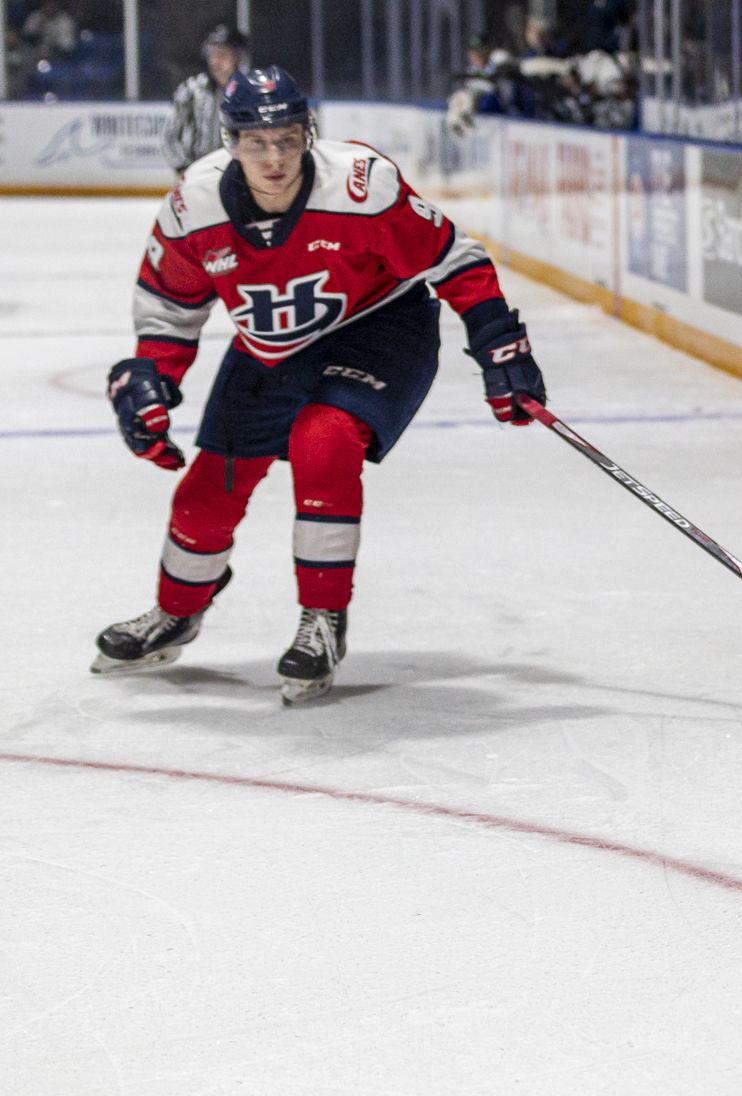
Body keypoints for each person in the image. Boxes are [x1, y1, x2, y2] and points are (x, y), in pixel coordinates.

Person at [95, 67, 547, 704]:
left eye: (287, 139)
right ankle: (175, 612)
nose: (274, 158)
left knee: (323, 439)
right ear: (230, 142)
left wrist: (498, 338)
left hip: (380, 326)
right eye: (257, 142)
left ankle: (323, 619)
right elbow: (170, 309)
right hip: (273, 346)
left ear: (308, 133)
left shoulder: (361, 186)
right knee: (210, 487)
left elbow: (454, 257)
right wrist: (150, 377)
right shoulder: (192, 207)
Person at [164, 25, 249, 175]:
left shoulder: (251, 92)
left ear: (238, 57)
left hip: (240, 176)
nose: (214, 61)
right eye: (211, 54)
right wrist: (183, 169)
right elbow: (170, 135)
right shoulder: (191, 90)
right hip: (200, 174)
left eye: (221, 55)